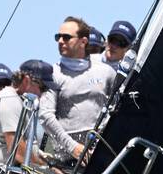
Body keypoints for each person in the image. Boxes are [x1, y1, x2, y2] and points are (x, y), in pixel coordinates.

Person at [39, 16, 120, 162]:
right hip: (65, 156)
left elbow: (118, 108)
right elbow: (45, 116)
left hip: (99, 151)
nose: (60, 41)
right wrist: (73, 147)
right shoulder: (52, 74)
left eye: (66, 37)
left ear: (83, 41)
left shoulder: (106, 72)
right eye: (58, 37)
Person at [0, 61, 47, 174]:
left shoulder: (18, 100)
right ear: (26, 81)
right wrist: (46, 168)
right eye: (42, 88)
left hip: (5, 171)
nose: (42, 94)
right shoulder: (10, 101)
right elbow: (18, 152)